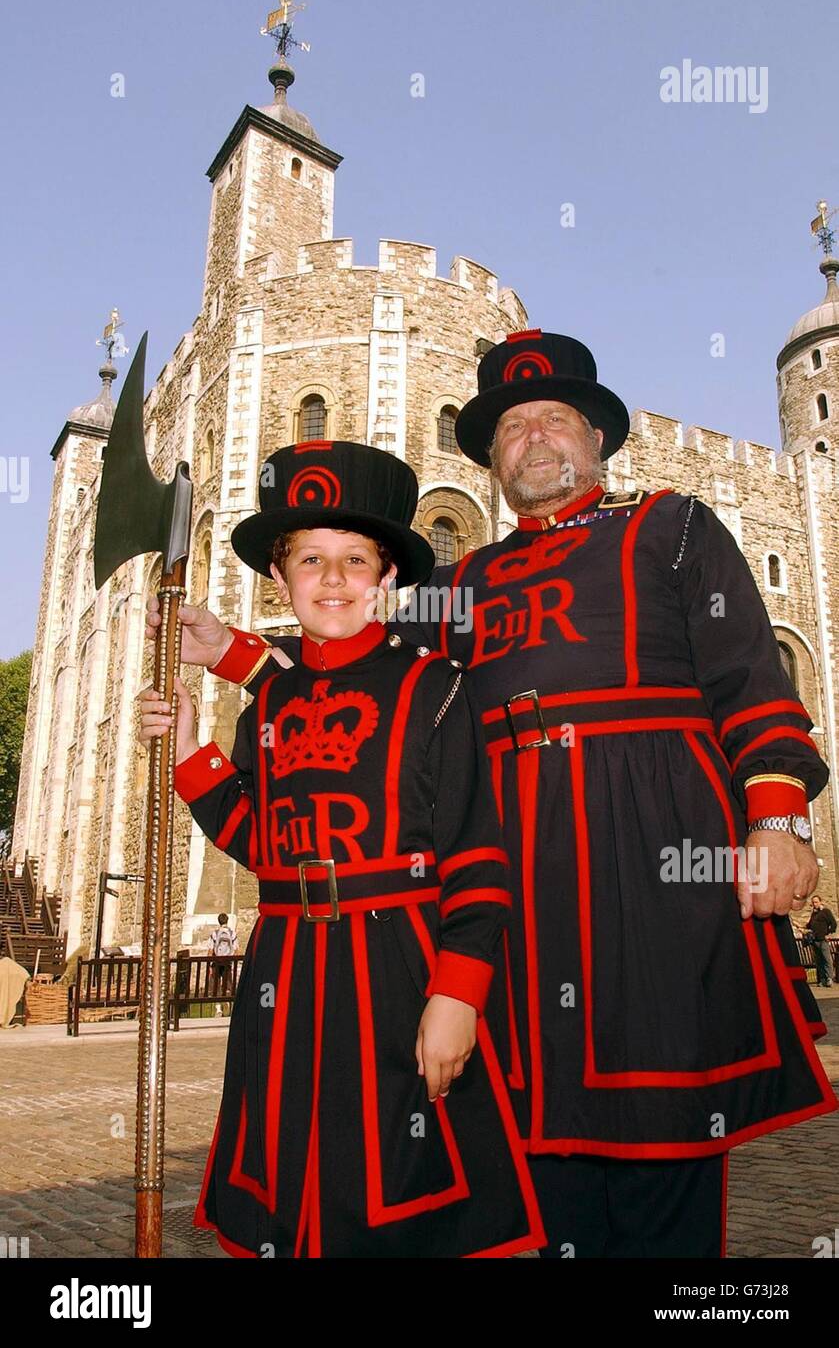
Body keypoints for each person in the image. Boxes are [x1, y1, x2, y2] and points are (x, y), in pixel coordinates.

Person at [153, 330, 837, 1259]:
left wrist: (776, 815)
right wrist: (231, 651)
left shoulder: (670, 528)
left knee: (664, 1124)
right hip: (507, 885)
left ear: (596, 437)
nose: (535, 438)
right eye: (512, 428)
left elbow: (751, 678)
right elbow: (357, 678)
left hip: (648, 866)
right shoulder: (457, 582)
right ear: (491, 460)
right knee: (525, 1130)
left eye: (555, 418)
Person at [140, 440, 544, 1259]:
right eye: (311, 561)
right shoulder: (272, 700)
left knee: (406, 1193)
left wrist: (458, 995)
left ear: (386, 577)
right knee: (288, 1186)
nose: (332, 580)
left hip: (400, 964)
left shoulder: (436, 687)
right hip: (283, 973)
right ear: (279, 582)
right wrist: (190, 750)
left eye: (354, 560)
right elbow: (260, 841)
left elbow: (476, 853)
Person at [806, 896, 837, 988]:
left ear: (820, 902)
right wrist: (803, 927)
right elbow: (810, 925)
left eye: (816, 902)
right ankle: (822, 979)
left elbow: (833, 924)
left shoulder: (826, 912)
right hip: (815, 940)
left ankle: (829, 978)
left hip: (823, 939)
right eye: (813, 903)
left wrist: (828, 934)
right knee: (819, 961)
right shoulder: (814, 914)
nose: (814, 904)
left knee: (826, 959)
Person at [208, 912, 238, 1003]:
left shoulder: (215, 933)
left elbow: (210, 950)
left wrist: (209, 965)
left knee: (215, 985)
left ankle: (218, 1008)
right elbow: (236, 950)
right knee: (228, 983)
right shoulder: (232, 933)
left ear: (219, 922)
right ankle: (228, 1002)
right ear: (227, 921)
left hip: (216, 962)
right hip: (227, 962)